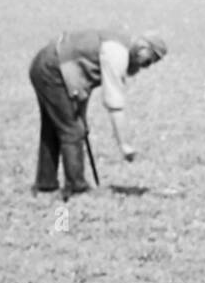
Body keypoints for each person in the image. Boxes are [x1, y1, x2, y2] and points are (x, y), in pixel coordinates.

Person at [28, 28, 167, 199]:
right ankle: (76, 188)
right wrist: (124, 144)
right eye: (148, 61)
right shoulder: (116, 53)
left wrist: (81, 115)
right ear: (143, 47)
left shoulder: (119, 46)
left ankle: (46, 185)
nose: (146, 67)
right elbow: (114, 101)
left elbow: (80, 81)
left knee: (54, 127)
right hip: (53, 69)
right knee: (72, 131)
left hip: (49, 65)